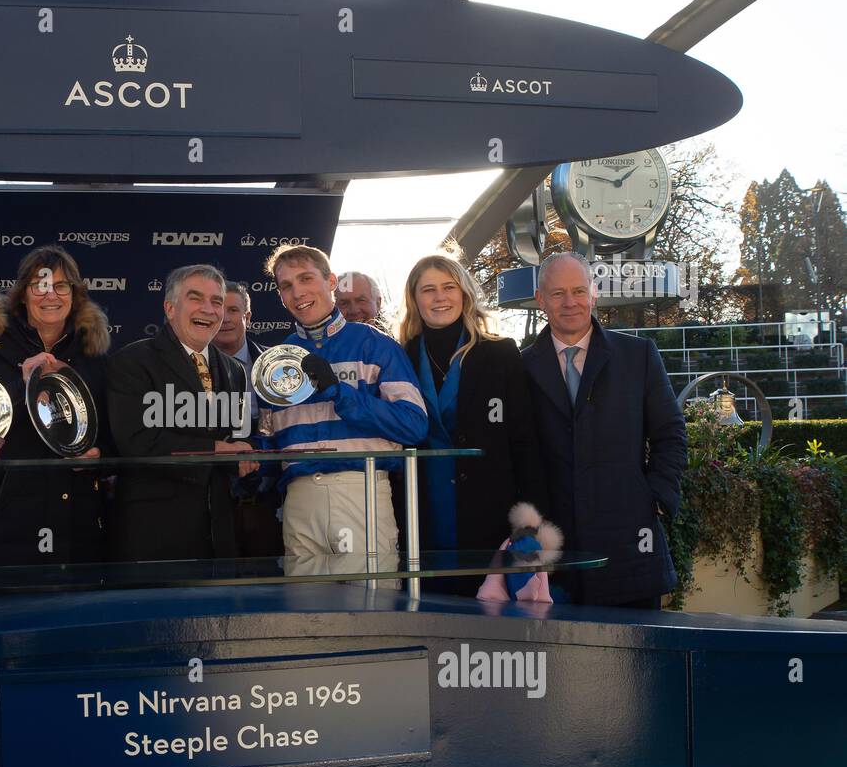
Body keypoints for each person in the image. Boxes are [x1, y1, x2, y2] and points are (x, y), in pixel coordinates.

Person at [522, 251, 686, 608]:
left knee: (638, 659)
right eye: (558, 293)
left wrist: (656, 497)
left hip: (630, 545)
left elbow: (670, 433)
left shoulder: (638, 355)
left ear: (594, 294)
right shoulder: (520, 368)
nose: (570, 303)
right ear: (540, 300)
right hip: (555, 552)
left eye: (579, 291)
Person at [257, 245, 427, 557]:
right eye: (287, 286)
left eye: (306, 279)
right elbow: (270, 439)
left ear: (331, 281)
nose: (297, 293)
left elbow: (414, 425)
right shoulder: (278, 359)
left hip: (360, 490)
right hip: (297, 498)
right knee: (302, 605)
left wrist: (340, 394)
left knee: (368, 603)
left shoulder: (375, 345)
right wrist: (250, 458)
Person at [400, 254, 549, 594]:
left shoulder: (500, 353)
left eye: (449, 287)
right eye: (429, 290)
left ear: (464, 294)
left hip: (490, 509)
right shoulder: (401, 355)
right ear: (415, 299)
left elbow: (524, 440)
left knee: (489, 618)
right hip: (423, 510)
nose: (440, 297)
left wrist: (531, 522)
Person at [0, 245, 110, 565]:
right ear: (23, 294)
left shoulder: (93, 353)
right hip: (7, 523)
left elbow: (115, 429)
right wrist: (21, 385)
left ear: (74, 294)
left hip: (77, 521)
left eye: (61, 285)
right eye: (39, 285)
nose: (50, 294)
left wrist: (100, 455)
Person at [106, 264, 256, 562]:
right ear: (170, 307)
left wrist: (246, 459)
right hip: (152, 535)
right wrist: (217, 450)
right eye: (195, 298)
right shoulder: (133, 362)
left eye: (217, 302)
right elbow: (137, 442)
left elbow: (235, 441)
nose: (209, 309)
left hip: (218, 535)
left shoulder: (235, 370)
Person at [214, 281, 282, 557]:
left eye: (234, 310)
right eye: (220, 309)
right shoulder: (184, 368)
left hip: (268, 499)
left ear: (248, 316)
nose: (226, 318)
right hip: (211, 500)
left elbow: (281, 423)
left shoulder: (274, 365)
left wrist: (256, 449)